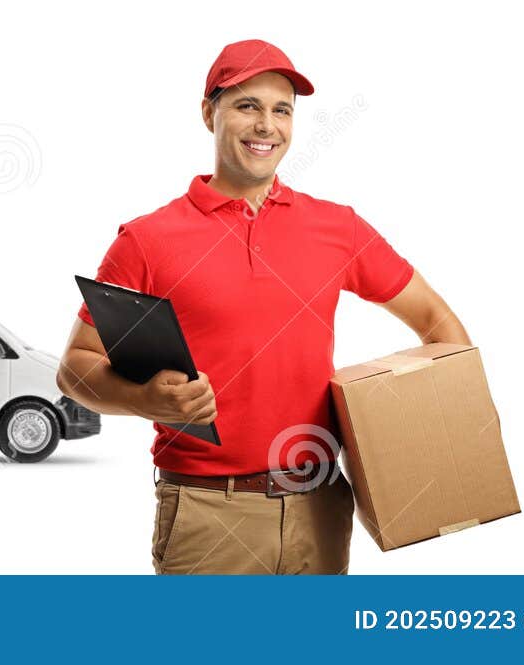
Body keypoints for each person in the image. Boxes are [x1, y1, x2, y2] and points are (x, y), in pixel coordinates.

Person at [57, 40, 471, 574]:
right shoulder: (147, 240)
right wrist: (143, 399)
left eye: (282, 111)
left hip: (320, 506)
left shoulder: (337, 228)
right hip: (208, 512)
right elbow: (75, 369)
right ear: (210, 113)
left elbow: (441, 329)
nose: (266, 126)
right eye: (247, 106)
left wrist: (435, 434)